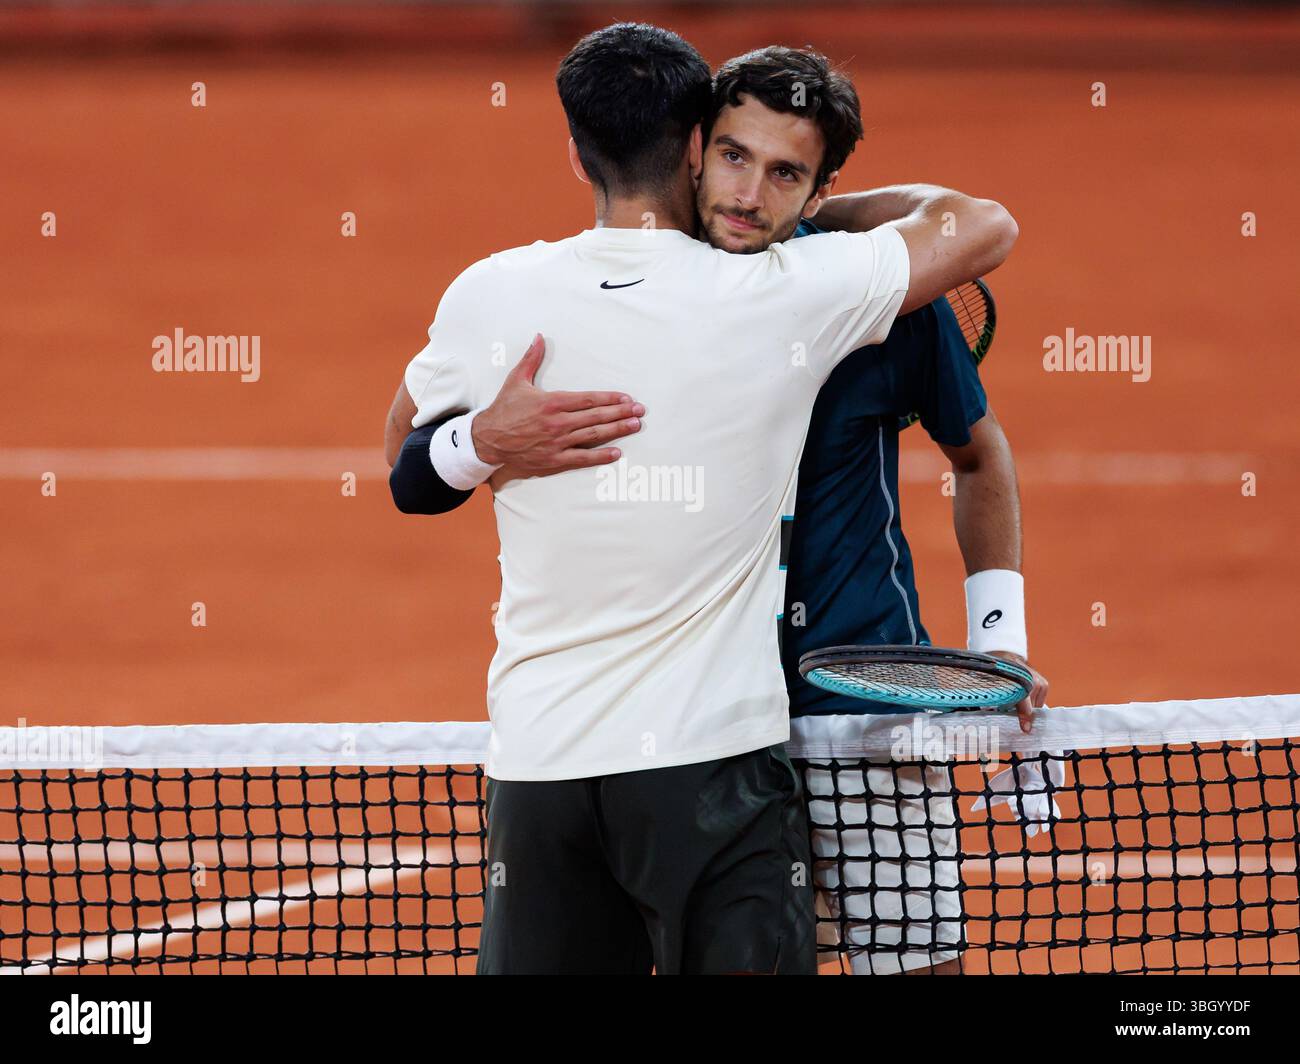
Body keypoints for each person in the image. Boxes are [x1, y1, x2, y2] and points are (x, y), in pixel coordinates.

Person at [384, 24, 1018, 974]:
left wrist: (1002, 634)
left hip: (848, 702)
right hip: (718, 748)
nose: (749, 193)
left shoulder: (862, 296)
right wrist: (838, 216)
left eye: (785, 174)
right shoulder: (800, 291)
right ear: (693, 149)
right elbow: (981, 226)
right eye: (732, 157)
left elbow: (979, 454)